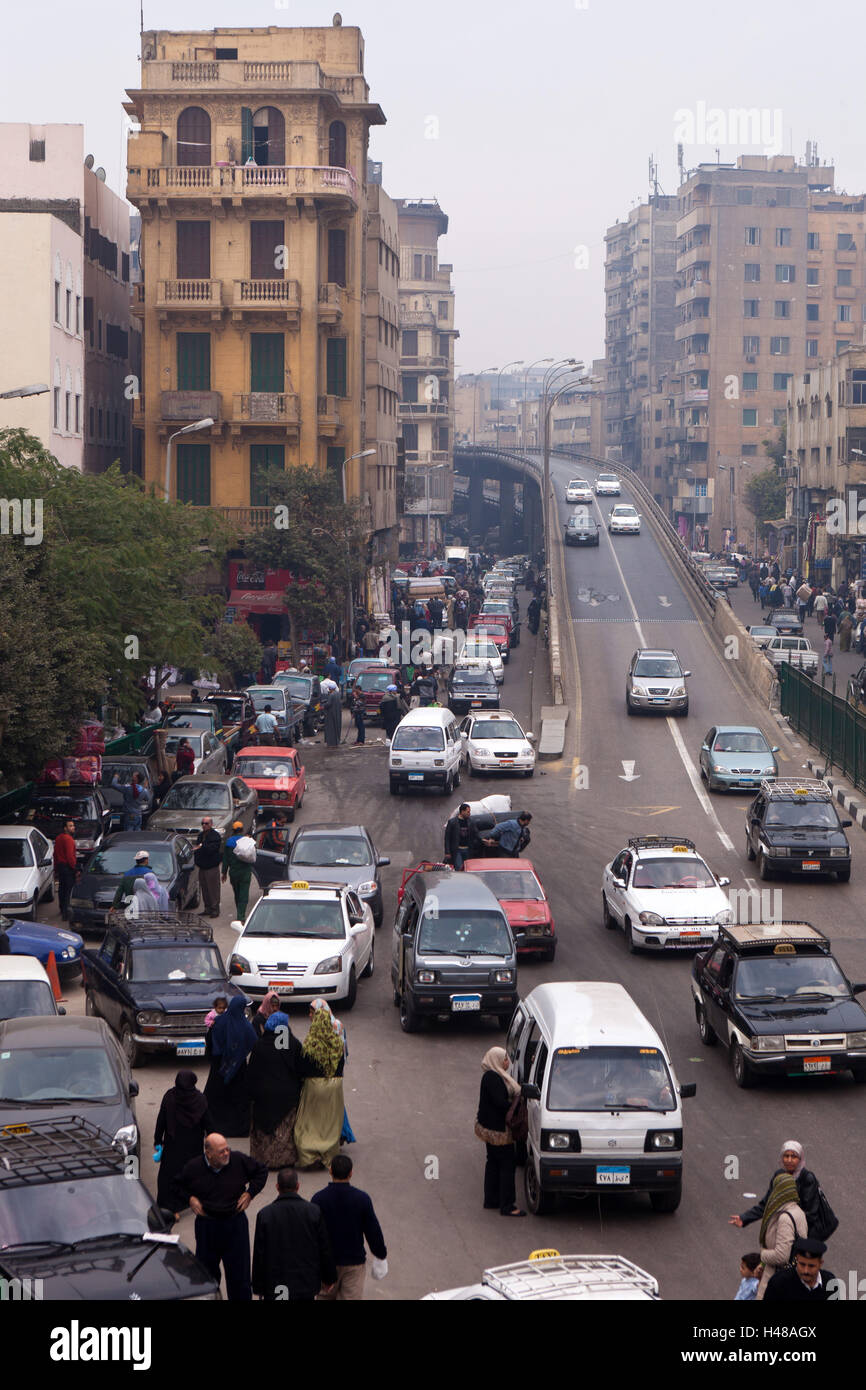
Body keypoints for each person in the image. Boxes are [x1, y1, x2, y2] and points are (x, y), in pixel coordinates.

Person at [171, 1132, 267, 1302]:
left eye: (227, 1149)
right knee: (207, 1277)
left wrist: (250, 1193)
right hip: (208, 1227)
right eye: (221, 1151)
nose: (226, 1154)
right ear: (208, 1153)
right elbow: (175, 1185)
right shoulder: (194, 1168)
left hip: (235, 1225)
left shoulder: (238, 1160)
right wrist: (190, 1199)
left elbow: (261, 1171)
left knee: (240, 1279)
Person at [252, 1167, 337, 1302]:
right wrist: (329, 1278)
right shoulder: (313, 1212)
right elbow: (324, 1249)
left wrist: (258, 1286)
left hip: (277, 1285)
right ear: (297, 1186)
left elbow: (259, 1254)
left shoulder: (265, 1215)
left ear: (277, 1187)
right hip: (305, 1283)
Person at [312, 1155, 388, 1301]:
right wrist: (380, 1254)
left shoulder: (318, 1199)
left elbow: (313, 1234)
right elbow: (373, 1231)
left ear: (330, 1170)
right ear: (351, 1173)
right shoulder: (362, 1199)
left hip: (327, 1264)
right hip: (354, 1264)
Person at [247, 1012, 308, 1169]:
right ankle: (283, 1160)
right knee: (284, 1129)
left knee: (264, 1128)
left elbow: (251, 1072)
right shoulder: (292, 1043)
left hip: (263, 1096)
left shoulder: (260, 1045)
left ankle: (263, 1159)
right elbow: (301, 1068)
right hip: (286, 1096)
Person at [729, 1140, 823, 1238]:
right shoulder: (779, 1176)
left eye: (794, 1157)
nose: (789, 1160)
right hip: (782, 1232)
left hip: (802, 1235)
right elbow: (767, 1205)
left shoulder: (807, 1179)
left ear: (800, 1159)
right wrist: (744, 1218)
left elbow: (811, 1214)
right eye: (786, 1156)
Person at [293, 1000, 346, 1170]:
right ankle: (328, 1154)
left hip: (314, 1086)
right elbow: (342, 1064)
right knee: (330, 1122)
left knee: (309, 1122)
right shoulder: (337, 1043)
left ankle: (309, 1155)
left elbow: (302, 1068)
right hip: (334, 1086)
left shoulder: (310, 1045)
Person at [475, 1046, 525, 1217]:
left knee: (493, 1163)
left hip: (489, 1128)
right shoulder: (494, 1079)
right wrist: (515, 1106)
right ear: (496, 1060)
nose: (507, 1062)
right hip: (498, 1131)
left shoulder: (492, 1076)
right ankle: (507, 1205)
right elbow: (500, 1103)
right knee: (506, 1165)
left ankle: (491, 1199)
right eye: (504, 1059)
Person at [153, 1070, 213, 1209]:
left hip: (173, 1146)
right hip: (193, 1147)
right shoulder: (200, 1099)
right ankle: (190, 1201)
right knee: (192, 1174)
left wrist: (157, 1140)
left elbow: (161, 1120)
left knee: (168, 1177)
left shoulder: (170, 1097)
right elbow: (208, 1123)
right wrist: (212, 1143)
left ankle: (168, 1206)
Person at [204, 995, 257, 1137]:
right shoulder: (245, 1025)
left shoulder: (219, 1021)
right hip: (238, 1068)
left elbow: (210, 1042)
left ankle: (214, 1128)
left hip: (218, 1068)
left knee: (216, 1097)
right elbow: (253, 1042)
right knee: (238, 1099)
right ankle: (238, 1130)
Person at [750, 1172, 808, 1300]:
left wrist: (763, 1255)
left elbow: (781, 1255)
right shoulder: (798, 1212)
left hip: (777, 1280)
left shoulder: (785, 1218)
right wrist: (763, 1265)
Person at [763, 1237, 837, 1302]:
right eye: (802, 1264)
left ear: (820, 1263)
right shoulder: (779, 1282)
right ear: (797, 1260)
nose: (806, 1271)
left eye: (811, 1266)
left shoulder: (830, 1282)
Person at [222, 821, 253, 921]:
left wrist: (224, 873)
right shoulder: (246, 841)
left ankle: (239, 913)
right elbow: (252, 856)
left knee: (237, 893)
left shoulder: (229, 842)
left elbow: (225, 859)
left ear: (233, 830)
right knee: (244, 894)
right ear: (242, 830)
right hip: (245, 872)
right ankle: (241, 916)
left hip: (234, 872)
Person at [194, 817, 222, 918]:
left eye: (206, 823)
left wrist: (201, 847)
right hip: (202, 867)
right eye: (202, 823)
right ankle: (207, 908)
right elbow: (197, 848)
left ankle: (215, 909)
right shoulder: (201, 835)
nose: (204, 825)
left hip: (211, 868)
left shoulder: (215, 836)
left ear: (211, 824)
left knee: (213, 890)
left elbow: (211, 849)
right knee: (205, 889)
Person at [54, 818, 78, 921]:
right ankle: (66, 913)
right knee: (68, 890)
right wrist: (74, 868)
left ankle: (61, 908)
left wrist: (55, 868)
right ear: (65, 828)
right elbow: (70, 856)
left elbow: (55, 854)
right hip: (67, 867)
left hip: (60, 866)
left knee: (62, 889)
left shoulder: (59, 838)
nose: (73, 827)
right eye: (70, 826)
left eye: (73, 825)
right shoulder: (68, 839)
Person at [444, 803, 478, 871]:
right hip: (457, 850)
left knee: (468, 868)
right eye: (468, 812)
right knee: (459, 868)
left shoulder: (471, 822)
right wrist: (447, 852)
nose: (469, 813)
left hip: (467, 849)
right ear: (462, 811)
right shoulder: (452, 822)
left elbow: (476, 834)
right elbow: (447, 838)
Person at [322, 680, 343, 748]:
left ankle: (331, 743)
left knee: (331, 728)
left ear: (331, 689)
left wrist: (323, 706)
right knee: (337, 727)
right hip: (337, 713)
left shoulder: (332, 695)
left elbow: (329, 704)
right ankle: (337, 741)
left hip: (331, 714)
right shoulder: (338, 694)